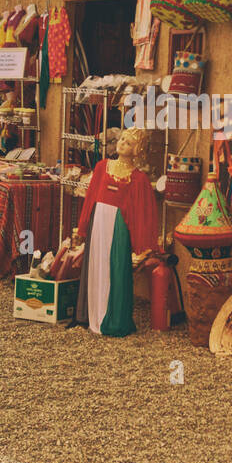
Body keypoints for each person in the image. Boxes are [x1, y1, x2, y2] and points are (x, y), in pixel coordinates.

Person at [70, 127, 158, 337]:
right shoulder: (101, 167)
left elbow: (144, 212)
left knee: (116, 267)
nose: (122, 144)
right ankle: (93, 314)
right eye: (122, 139)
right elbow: (91, 197)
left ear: (137, 150)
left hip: (119, 225)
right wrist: (83, 227)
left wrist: (142, 244)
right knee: (96, 264)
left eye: (128, 142)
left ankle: (114, 319)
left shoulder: (138, 179)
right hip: (98, 221)